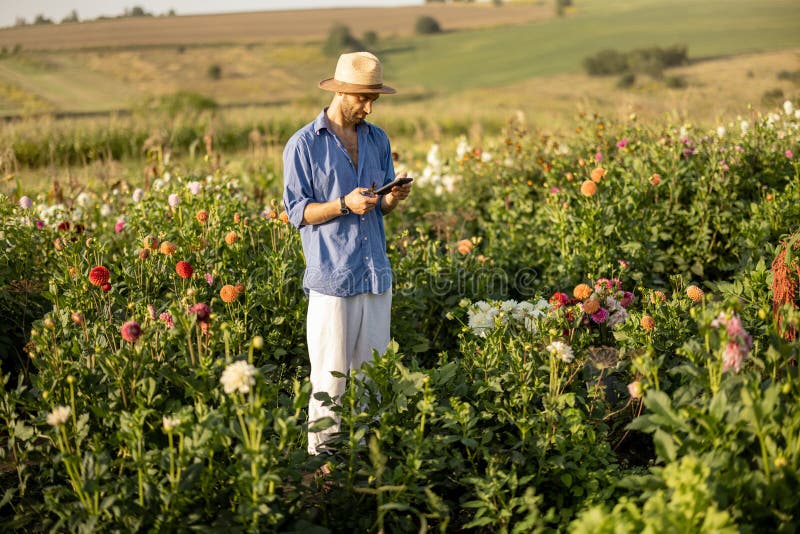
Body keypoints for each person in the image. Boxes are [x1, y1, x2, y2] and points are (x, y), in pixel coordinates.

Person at [282, 51, 412, 455]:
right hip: (332, 278)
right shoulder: (304, 144)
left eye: (374, 98)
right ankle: (323, 467)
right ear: (340, 91)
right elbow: (297, 213)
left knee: (373, 377)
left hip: (375, 274)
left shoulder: (378, 138)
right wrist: (343, 204)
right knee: (330, 380)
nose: (369, 107)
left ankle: (366, 460)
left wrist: (393, 198)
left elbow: (378, 209)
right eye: (361, 98)